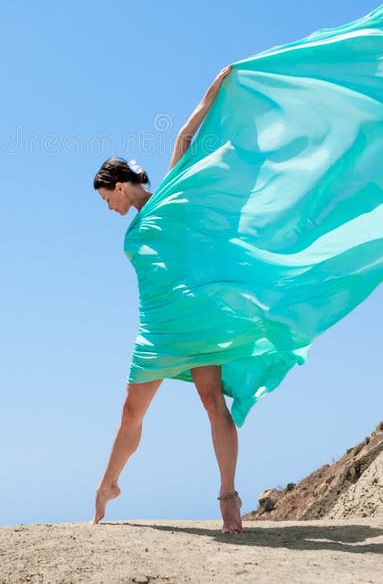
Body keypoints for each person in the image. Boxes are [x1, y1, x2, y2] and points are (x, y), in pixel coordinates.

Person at [91, 65, 242, 534]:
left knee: (214, 404)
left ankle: (228, 497)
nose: (108, 209)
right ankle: (107, 487)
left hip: (195, 317)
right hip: (155, 327)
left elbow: (183, 134)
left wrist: (216, 88)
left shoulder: (170, 194)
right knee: (130, 412)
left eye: (106, 199)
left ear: (120, 185)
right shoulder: (136, 219)